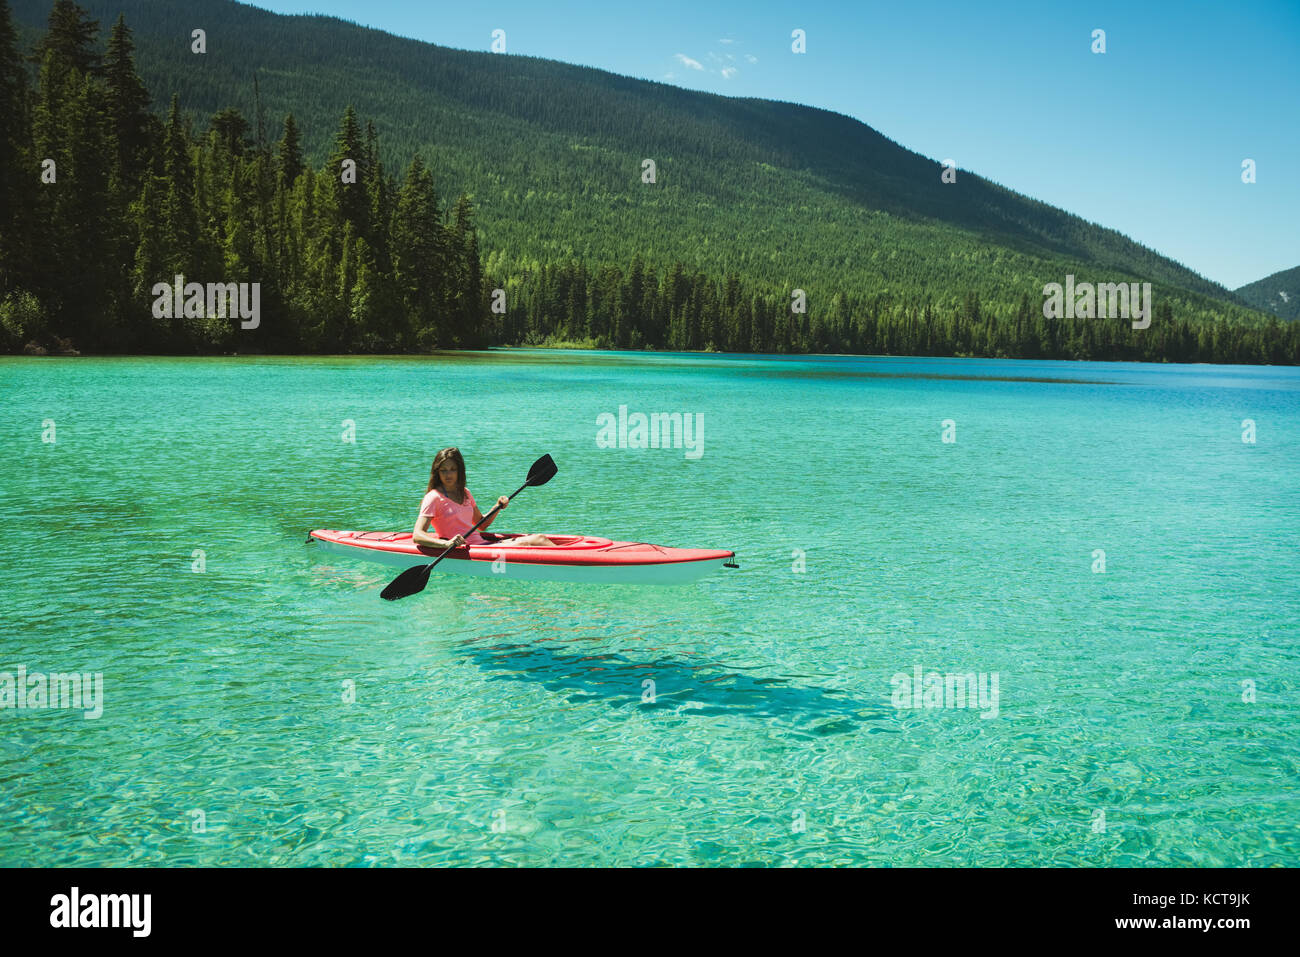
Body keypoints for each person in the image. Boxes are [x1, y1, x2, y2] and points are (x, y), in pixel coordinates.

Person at [412, 447, 555, 550]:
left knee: (539, 538)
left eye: (452, 469)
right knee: (537, 540)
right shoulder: (433, 497)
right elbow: (417, 535)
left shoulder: (465, 493)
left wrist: (497, 507)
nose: (448, 474)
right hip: (471, 549)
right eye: (443, 470)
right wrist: (447, 544)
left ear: (459, 470)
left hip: (482, 545)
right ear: (437, 472)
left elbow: (481, 524)